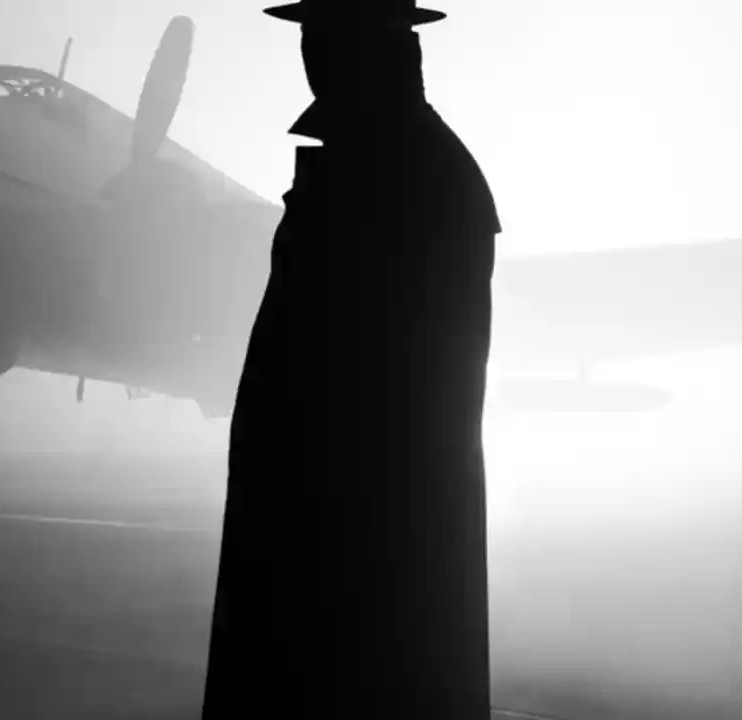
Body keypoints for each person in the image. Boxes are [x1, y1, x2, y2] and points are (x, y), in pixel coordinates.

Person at [201, 1, 501, 717]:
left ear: (376, 45)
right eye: (309, 33)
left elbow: (389, 374)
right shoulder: (393, 162)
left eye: (325, 33)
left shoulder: (404, 175)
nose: (309, 51)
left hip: (349, 534)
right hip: (325, 519)